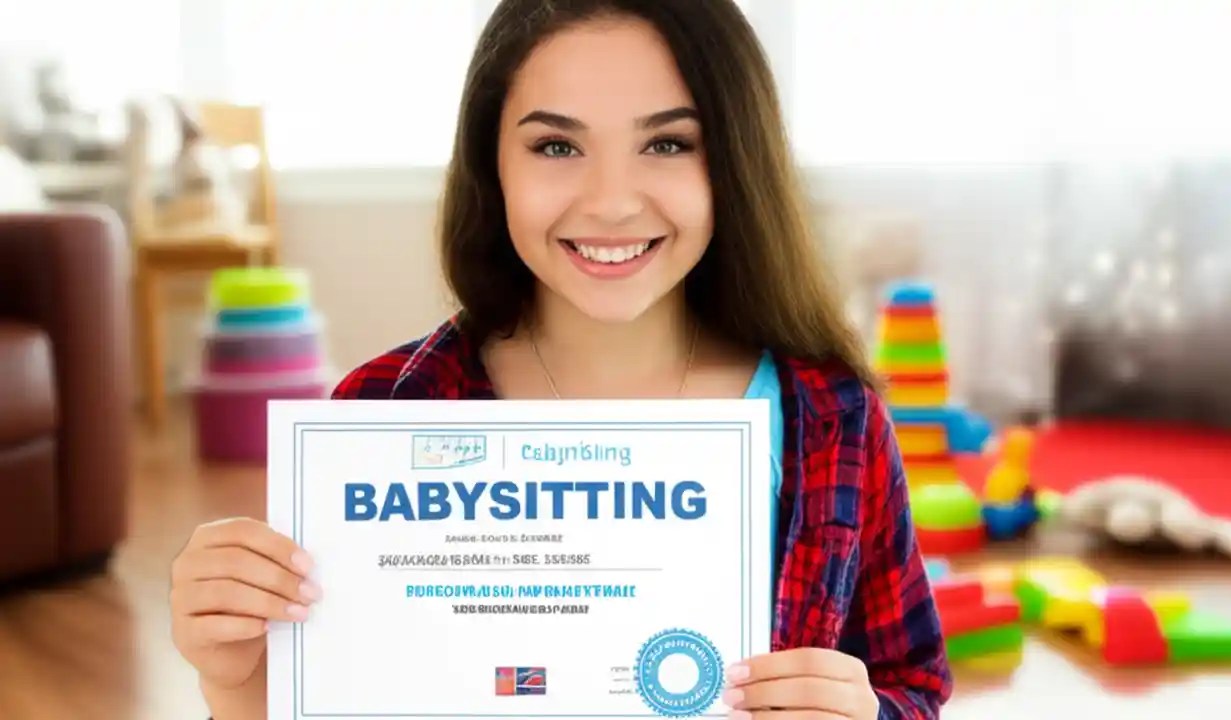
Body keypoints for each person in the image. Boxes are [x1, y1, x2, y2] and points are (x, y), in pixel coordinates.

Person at [169, 1, 953, 718]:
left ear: (734, 165)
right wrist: (236, 679)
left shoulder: (832, 417)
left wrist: (869, 714)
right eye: (556, 145)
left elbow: (912, 684)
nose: (610, 200)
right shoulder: (381, 412)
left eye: (668, 143)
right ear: (493, 166)